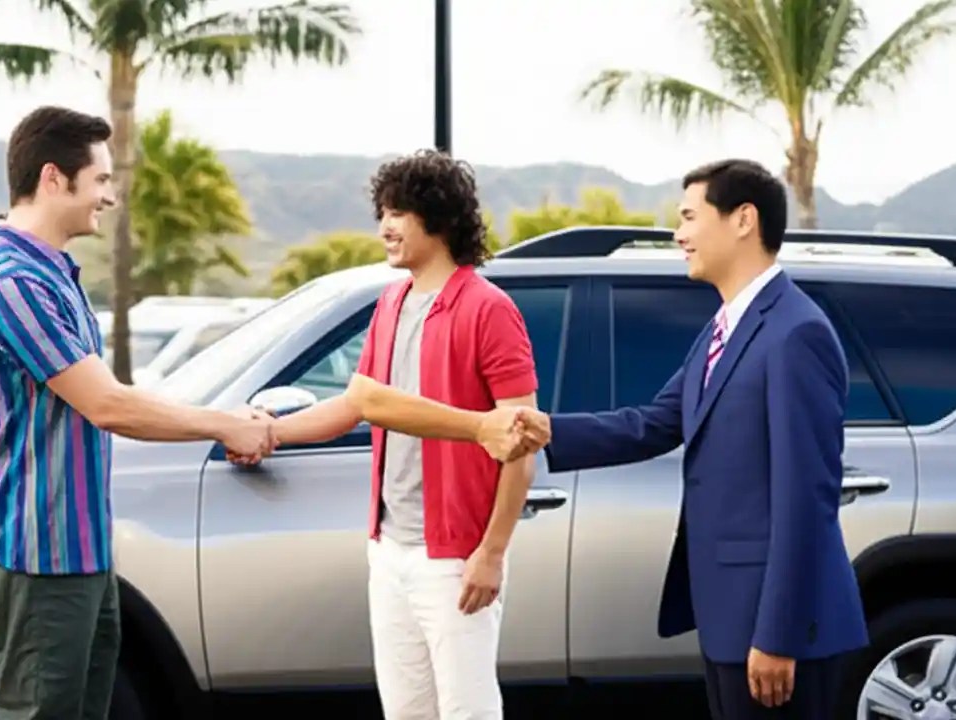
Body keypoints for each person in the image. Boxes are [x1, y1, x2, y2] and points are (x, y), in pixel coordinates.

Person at [0, 105, 276, 720]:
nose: (109, 196)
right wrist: (224, 425)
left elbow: (106, 397)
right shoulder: (12, 285)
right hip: (38, 561)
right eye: (100, 179)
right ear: (54, 178)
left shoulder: (51, 276)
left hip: (79, 556)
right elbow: (106, 404)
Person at [539, 159, 868, 719]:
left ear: (743, 220)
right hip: (730, 618)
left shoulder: (796, 332)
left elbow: (806, 498)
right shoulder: (725, 326)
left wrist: (779, 634)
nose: (679, 234)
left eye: (689, 217)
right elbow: (655, 423)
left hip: (776, 630)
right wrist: (544, 430)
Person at [235, 149, 544, 719]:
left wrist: (492, 553)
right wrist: (269, 433)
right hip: (390, 550)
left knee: (468, 710)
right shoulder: (391, 303)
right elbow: (355, 405)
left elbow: (519, 442)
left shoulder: (488, 309)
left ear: (438, 217)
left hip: (454, 557)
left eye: (398, 212)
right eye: (382, 212)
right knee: (405, 711)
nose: (385, 227)